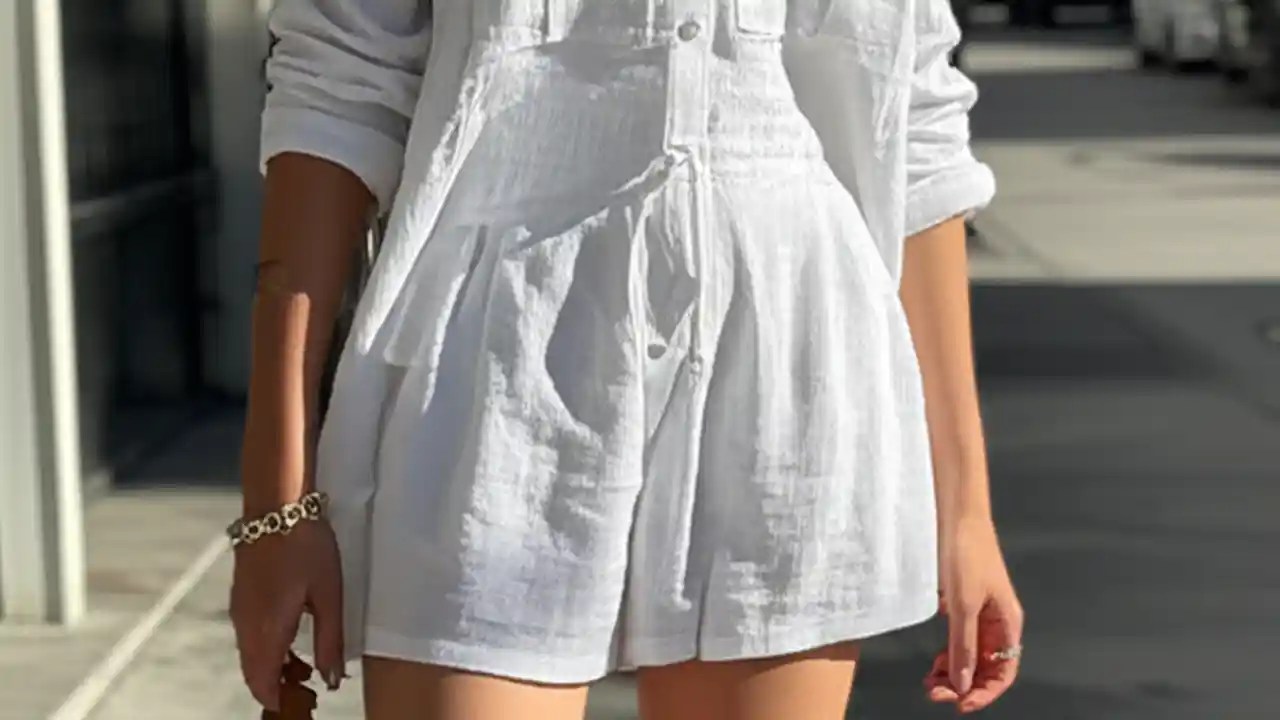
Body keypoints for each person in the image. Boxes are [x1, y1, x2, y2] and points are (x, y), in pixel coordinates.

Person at [230, 1, 1024, 719]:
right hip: (488, 372)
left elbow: (911, 119)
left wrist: (965, 510)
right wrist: (277, 502)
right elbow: (337, 91)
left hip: (788, 368)